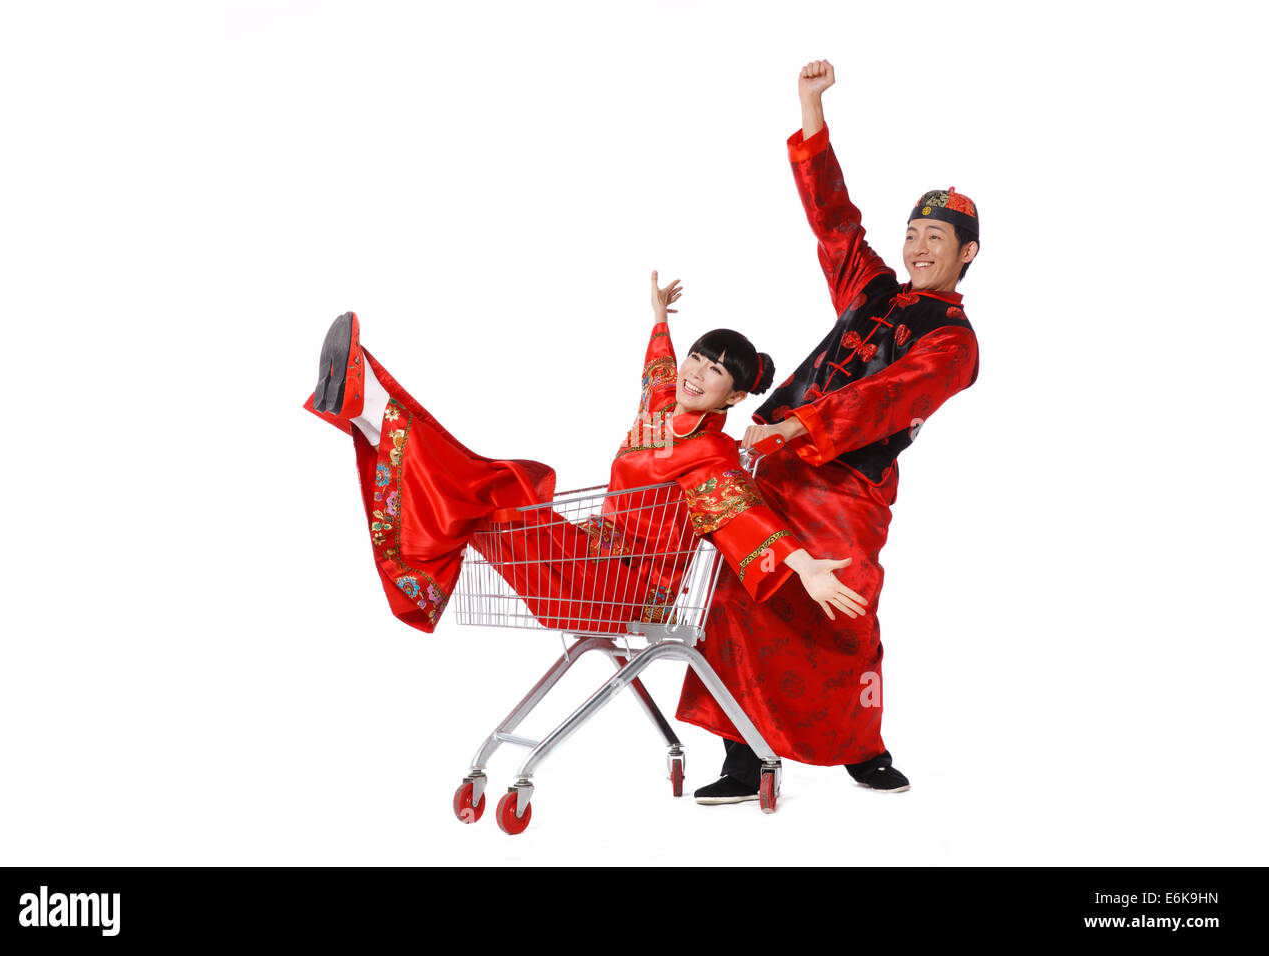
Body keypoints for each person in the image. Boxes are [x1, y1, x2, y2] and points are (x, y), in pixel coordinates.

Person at [677, 59, 981, 803]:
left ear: (966, 253)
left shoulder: (955, 340)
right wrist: (811, 111)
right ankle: (740, 758)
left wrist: (798, 426)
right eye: (912, 233)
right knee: (739, 596)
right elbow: (835, 222)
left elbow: (889, 394)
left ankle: (859, 746)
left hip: (847, 486)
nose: (916, 247)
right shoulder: (872, 286)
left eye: (934, 237)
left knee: (844, 607)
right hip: (776, 469)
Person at [302, 270, 871, 639]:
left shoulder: (713, 456)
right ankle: (369, 412)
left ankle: (371, 406)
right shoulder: (663, 401)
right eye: (698, 356)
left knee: (497, 489)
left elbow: (742, 516)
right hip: (588, 557)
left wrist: (802, 564)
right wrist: (657, 319)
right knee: (478, 499)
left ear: (738, 394)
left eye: (716, 370)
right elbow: (659, 368)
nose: (697, 372)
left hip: (624, 589)